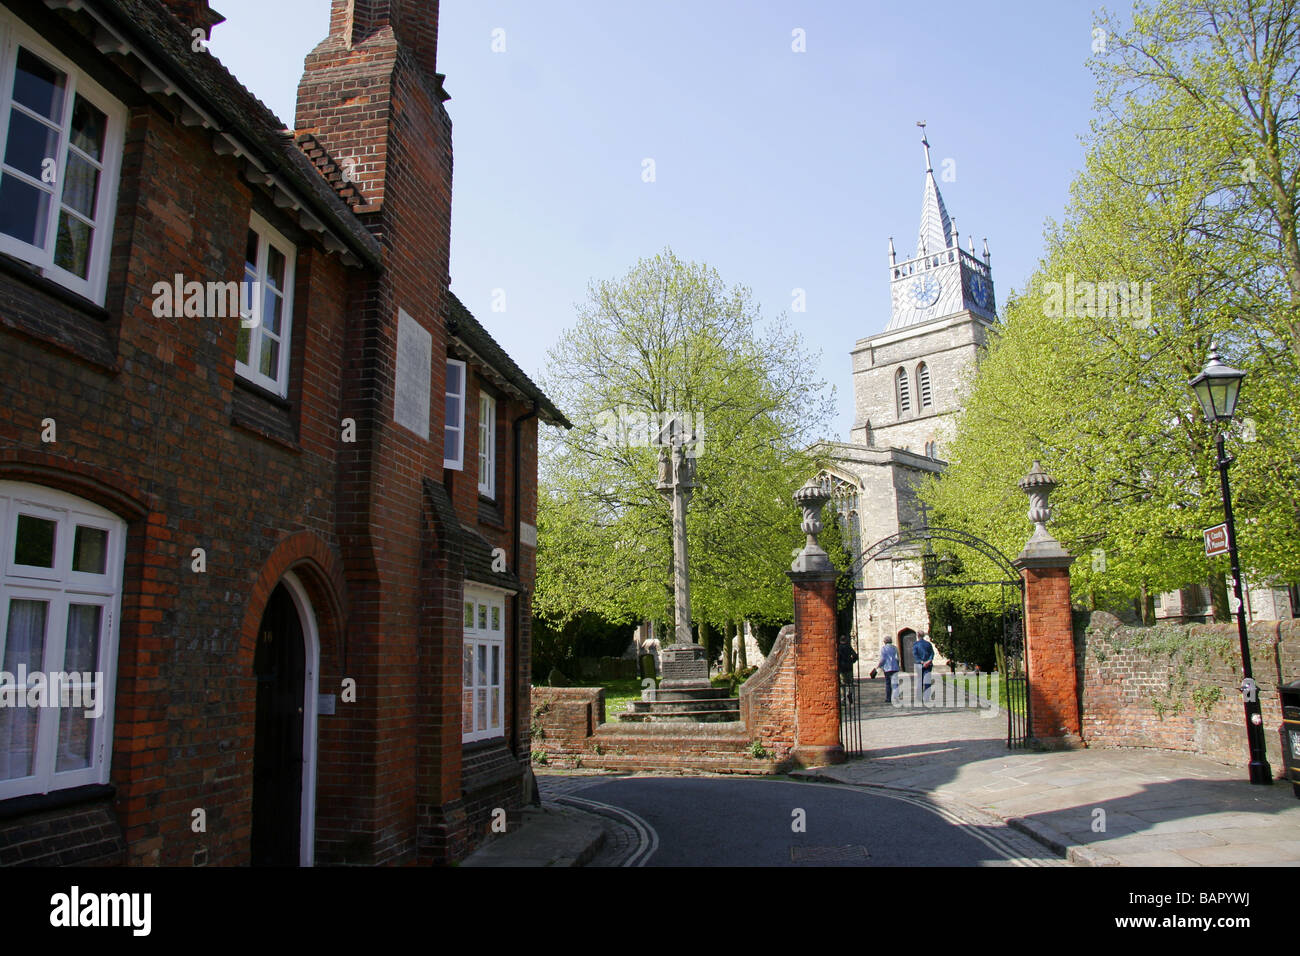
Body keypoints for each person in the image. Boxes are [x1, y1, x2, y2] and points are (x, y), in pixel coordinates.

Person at [872, 636, 901, 703]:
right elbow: (897, 658)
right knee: (895, 683)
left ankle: (888, 698)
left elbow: (883, 659)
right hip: (895, 668)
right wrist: (898, 665)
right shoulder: (895, 648)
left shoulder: (884, 649)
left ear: (885, 641)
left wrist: (878, 666)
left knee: (888, 683)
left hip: (887, 668)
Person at [912, 631, 935, 703]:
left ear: (917, 636)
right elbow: (932, 653)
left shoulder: (915, 644)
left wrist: (921, 661)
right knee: (927, 681)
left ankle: (919, 698)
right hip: (928, 664)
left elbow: (915, 654)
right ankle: (927, 697)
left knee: (920, 681)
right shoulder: (928, 644)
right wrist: (929, 661)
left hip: (919, 664)